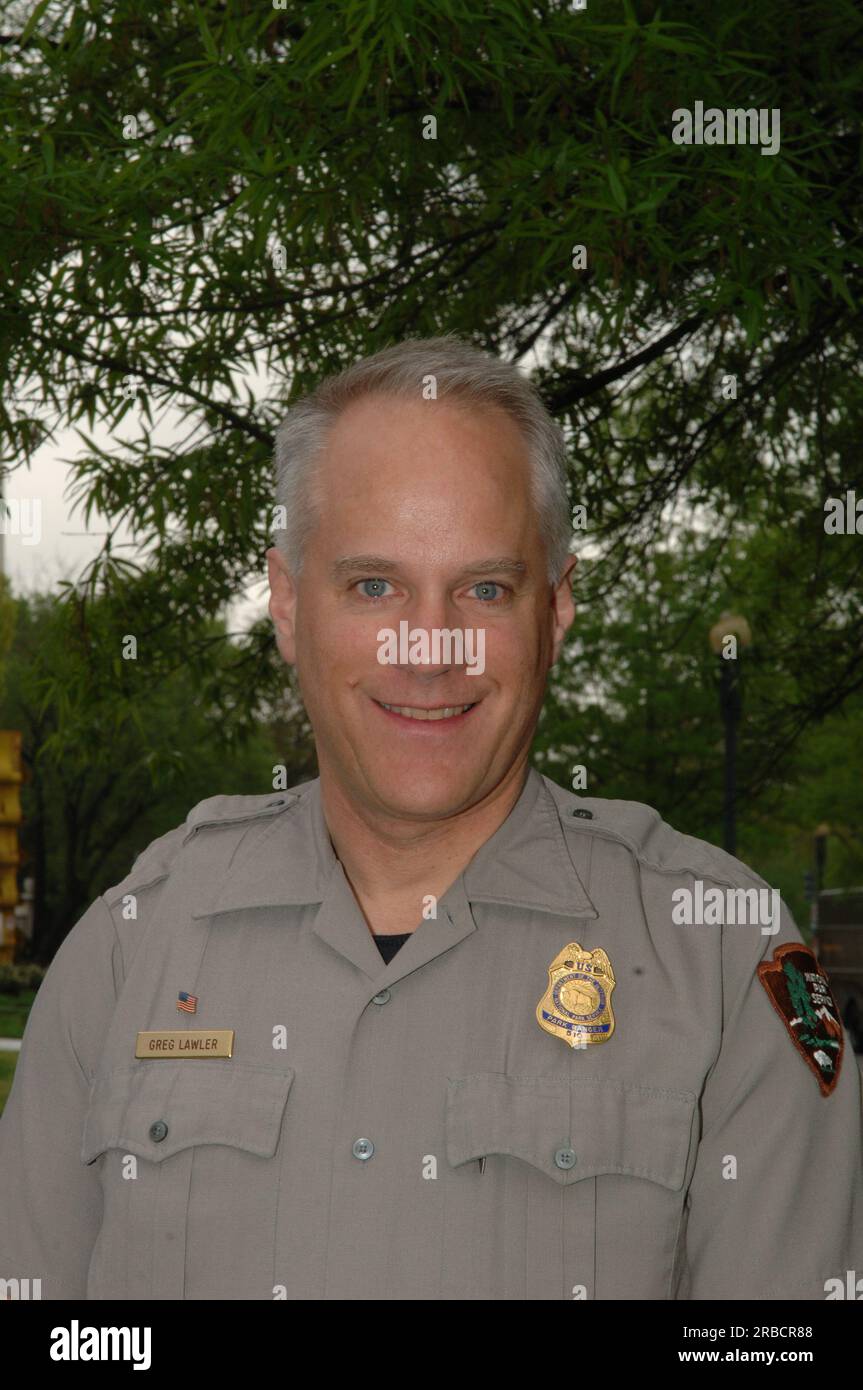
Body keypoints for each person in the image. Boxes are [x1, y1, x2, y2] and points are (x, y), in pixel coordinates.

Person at [1, 336, 860, 1300]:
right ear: (287, 605)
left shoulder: (720, 959)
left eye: (484, 589)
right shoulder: (131, 949)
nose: (428, 646)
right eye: (374, 586)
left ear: (556, 609)